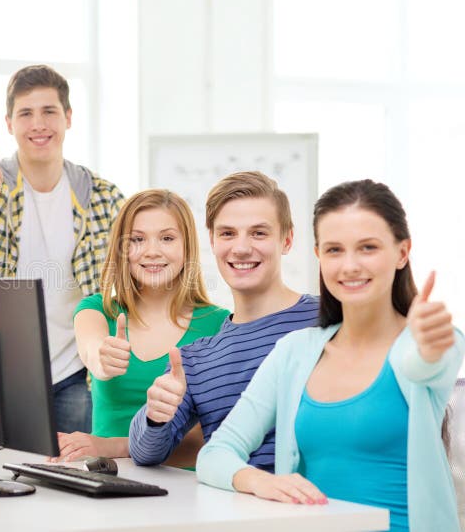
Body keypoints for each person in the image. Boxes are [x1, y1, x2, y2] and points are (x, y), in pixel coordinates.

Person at [195, 179, 463, 532]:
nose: (349, 266)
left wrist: (425, 346)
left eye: (367, 248)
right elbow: (215, 454)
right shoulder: (294, 351)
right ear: (319, 255)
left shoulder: (436, 341)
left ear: (402, 252)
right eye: (335, 250)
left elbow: (423, 365)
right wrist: (261, 481)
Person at [0, 65, 124, 434]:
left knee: (74, 466)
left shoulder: (101, 195)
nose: (38, 124)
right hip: (2, 372)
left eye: (49, 111)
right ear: (9, 123)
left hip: (77, 374)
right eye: (26, 113)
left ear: (68, 117)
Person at [129, 171, 319, 470]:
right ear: (212, 241)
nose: (241, 248)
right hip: (233, 498)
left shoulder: (328, 320)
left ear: (287, 239)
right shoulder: (194, 359)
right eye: (228, 233)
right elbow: (146, 453)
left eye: (258, 233)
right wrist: (155, 413)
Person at [54, 190, 229, 462]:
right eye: (137, 239)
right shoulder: (97, 310)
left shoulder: (221, 325)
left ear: (187, 246)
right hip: (104, 478)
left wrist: (115, 447)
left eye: (167, 238)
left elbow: (208, 439)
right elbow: (92, 349)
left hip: (181, 483)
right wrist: (102, 358)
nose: (152, 251)